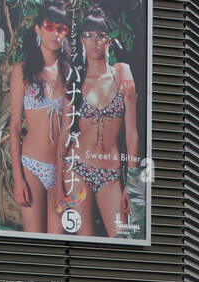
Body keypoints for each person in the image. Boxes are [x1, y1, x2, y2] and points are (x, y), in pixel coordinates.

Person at [64, 5, 139, 238]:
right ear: (82, 41)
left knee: (123, 239)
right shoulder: (75, 79)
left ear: (108, 40)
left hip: (111, 174)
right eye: (87, 35)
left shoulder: (122, 74)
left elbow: (132, 134)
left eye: (99, 35)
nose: (94, 41)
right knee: (81, 243)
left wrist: (132, 184)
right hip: (77, 168)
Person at [8, 2, 72, 235]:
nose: (55, 33)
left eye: (61, 29)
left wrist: (125, 69)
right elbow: (14, 127)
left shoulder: (69, 73)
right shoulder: (22, 71)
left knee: (58, 243)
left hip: (61, 171)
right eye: (49, 26)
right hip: (31, 166)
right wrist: (18, 178)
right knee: (34, 244)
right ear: (38, 28)